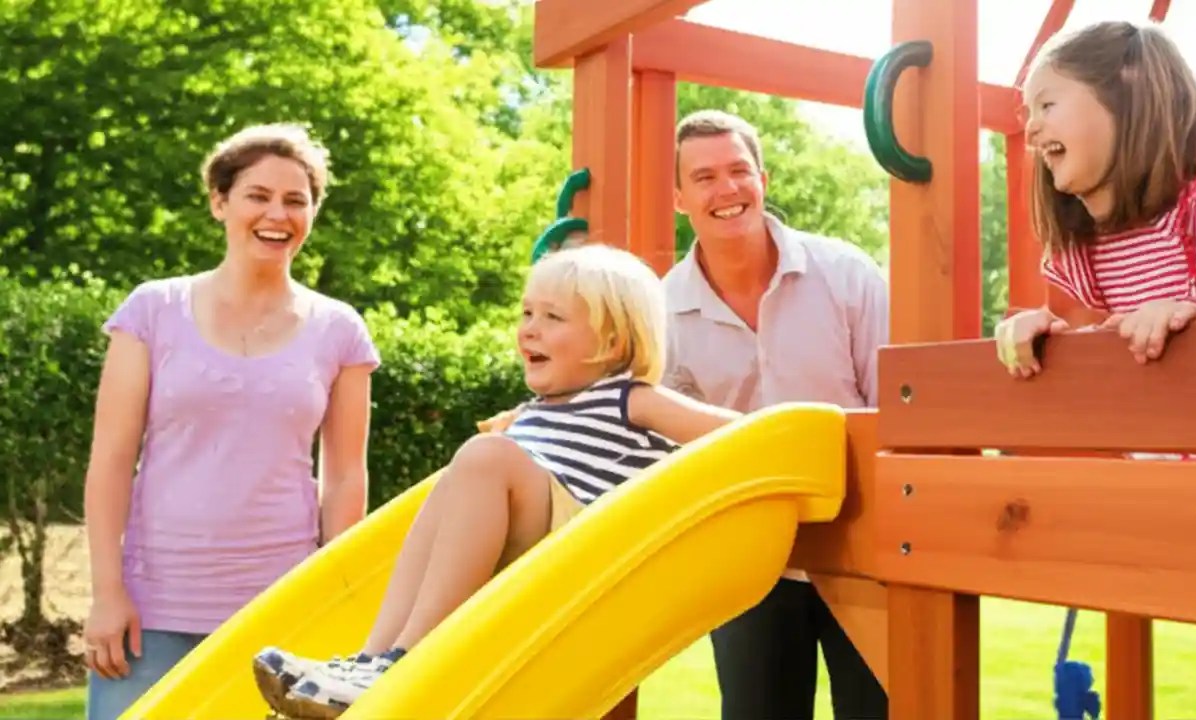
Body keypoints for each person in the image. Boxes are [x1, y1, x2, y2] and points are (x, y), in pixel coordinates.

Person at [251, 244, 742, 719]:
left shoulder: (632, 399)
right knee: (461, 472)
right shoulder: (530, 414)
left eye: (553, 318)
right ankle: (369, 660)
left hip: (578, 550)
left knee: (484, 456)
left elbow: (738, 436)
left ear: (612, 343)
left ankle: (403, 659)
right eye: (527, 314)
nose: (530, 330)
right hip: (530, 545)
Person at [81, 123, 380, 719]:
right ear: (220, 203)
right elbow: (112, 459)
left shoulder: (340, 329)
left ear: (313, 213)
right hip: (152, 607)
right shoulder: (153, 310)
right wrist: (107, 591)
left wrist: (334, 599)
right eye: (258, 195)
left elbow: (345, 476)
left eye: (297, 200)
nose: (278, 214)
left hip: (280, 608)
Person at [662, 109, 889, 720]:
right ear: (679, 196)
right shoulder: (662, 312)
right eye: (704, 177)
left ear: (762, 177)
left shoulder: (847, 275)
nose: (726, 189)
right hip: (748, 556)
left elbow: (896, 411)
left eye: (739, 170)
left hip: (863, 547)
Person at [995, 20, 1196, 377]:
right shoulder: (1088, 255)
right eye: (1029, 114)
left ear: (1126, 100)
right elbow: (1103, 356)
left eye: (1047, 105)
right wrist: (1042, 336)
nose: (1031, 129)